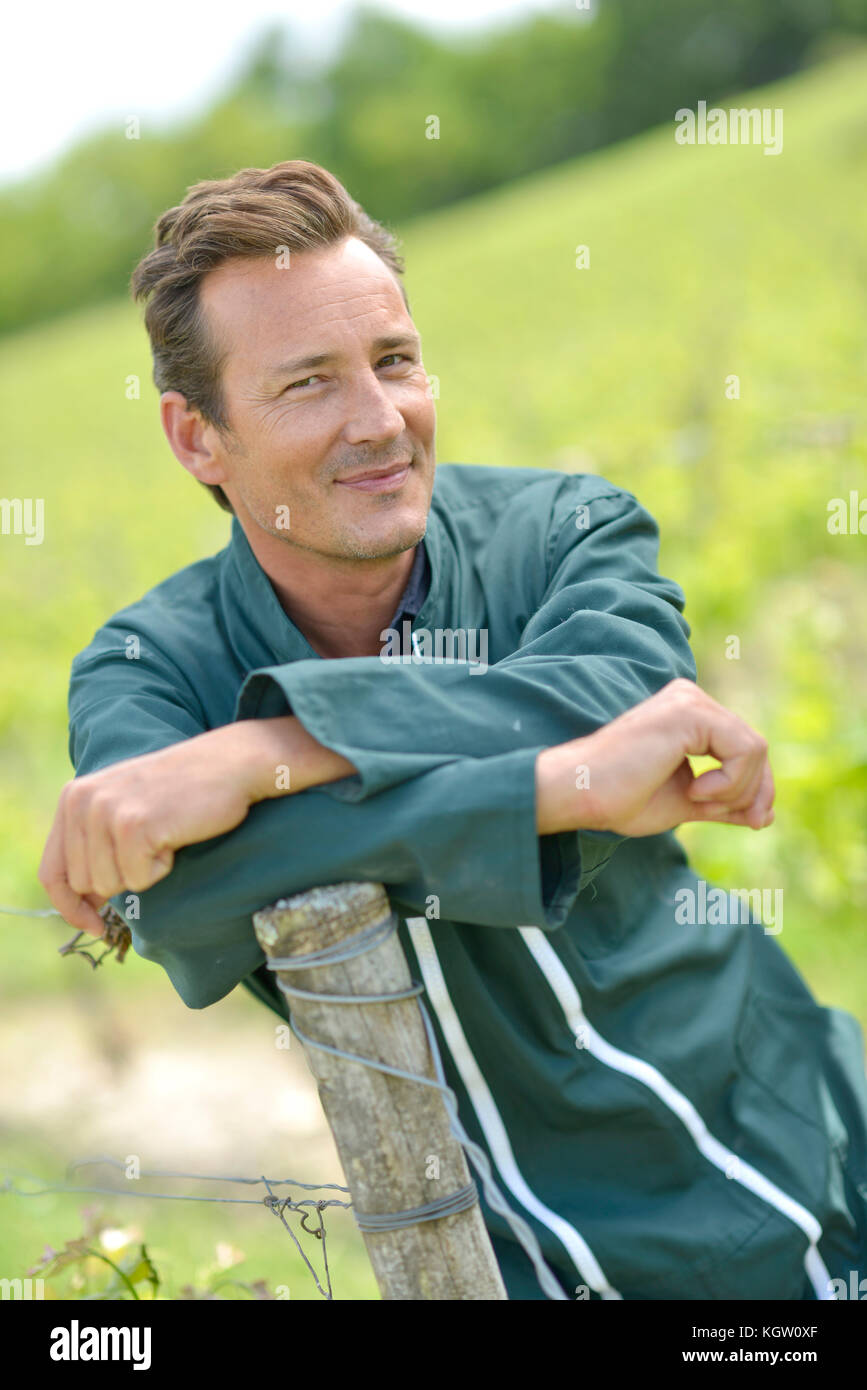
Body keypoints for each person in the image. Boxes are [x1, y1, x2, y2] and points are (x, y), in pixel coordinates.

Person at [39, 160, 867, 1301]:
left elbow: (623, 704)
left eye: (394, 360)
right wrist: (560, 786)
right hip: (488, 1261)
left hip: (802, 1155)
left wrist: (266, 755)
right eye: (308, 384)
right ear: (198, 439)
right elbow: (169, 897)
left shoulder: (569, 530)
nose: (379, 422)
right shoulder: (150, 668)